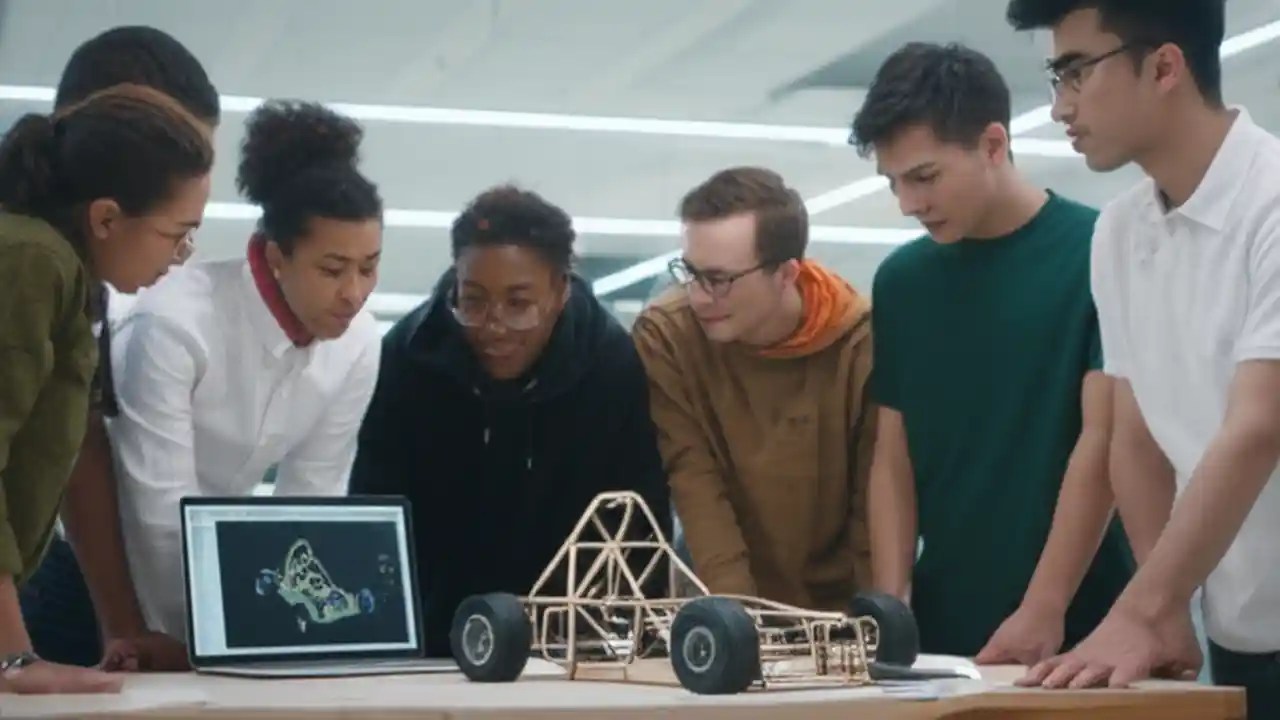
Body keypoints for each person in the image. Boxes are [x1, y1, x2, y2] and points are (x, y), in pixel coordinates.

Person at [1006, 2, 1280, 713]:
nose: (1061, 105)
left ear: (1164, 66)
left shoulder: (1273, 204)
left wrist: (1140, 610)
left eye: (1076, 72)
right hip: (1239, 628)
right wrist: (1171, 608)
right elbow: (1134, 438)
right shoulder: (1121, 232)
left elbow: (1260, 428)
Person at [847, 41, 1135, 665]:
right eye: (893, 182)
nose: (907, 204)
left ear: (994, 145)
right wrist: (892, 602)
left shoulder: (1101, 249)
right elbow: (892, 455)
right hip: (942, 636)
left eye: (924, 177)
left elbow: (1105, 440)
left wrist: (1044, 608)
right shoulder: (900, 282)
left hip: (1084, 627)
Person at [96, 99, 385, 664]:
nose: (354, 292)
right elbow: (158, 516)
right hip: (105, 576)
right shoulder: (174, 320)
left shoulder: (358, 340)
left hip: (216, 586)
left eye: (369, 267)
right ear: (277, 257)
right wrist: (208, 646)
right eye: (332, 269)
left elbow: (312, 503)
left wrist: (291, 636)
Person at [349, 184, 669, 658]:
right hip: (434, 640)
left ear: (560, 291)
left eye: (518, 304)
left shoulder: (608, 364)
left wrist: (636, 643)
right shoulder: (412, 355)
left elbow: (638, 522)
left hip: (569, 644)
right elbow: (373, 514)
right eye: (473, 300)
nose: (493, 325)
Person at [18, 24, 222, 674]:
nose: (181, 255)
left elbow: (78, 444)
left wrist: (125, 629)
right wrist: (14, 658)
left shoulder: (81, 276)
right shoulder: (30, 262)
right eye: (177, 231)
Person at [631, 166, 875, 611]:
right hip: (726, 601)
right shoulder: (668, 336)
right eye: (689, 272)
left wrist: (873, 626)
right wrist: (739, 623)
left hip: (842, 610)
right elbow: (695, 483)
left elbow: (871, 509)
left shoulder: (861, 342)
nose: (700, 297)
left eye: (720, 280)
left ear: (786, 274)